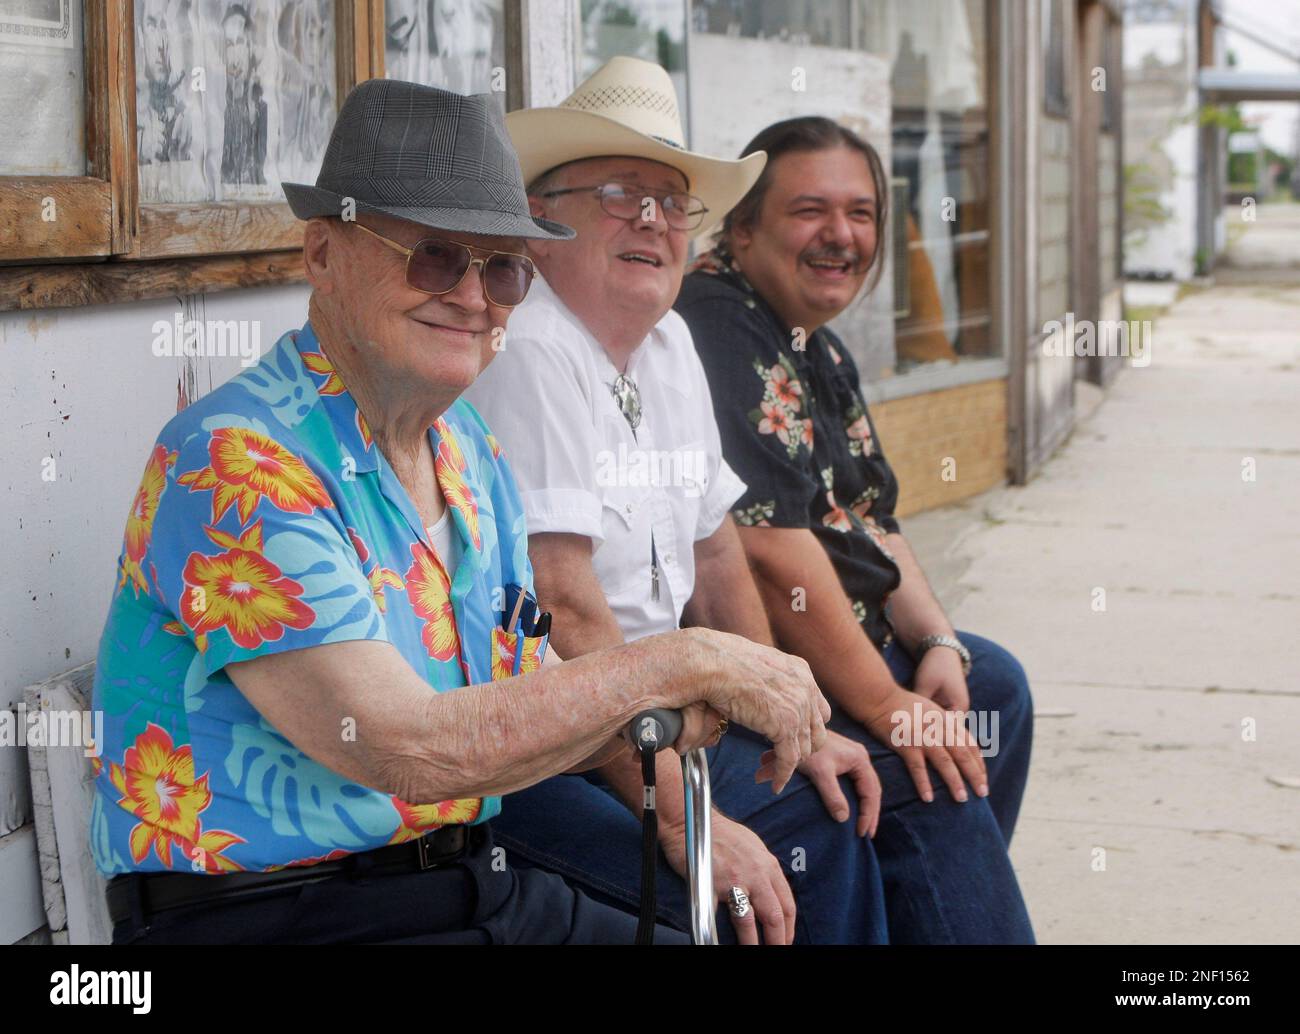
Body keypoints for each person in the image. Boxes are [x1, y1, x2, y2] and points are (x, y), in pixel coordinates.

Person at [90, 79, 830, 946]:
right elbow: (403, 746)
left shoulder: (466, 449)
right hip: (280, 915)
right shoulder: (236, 460)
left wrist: (658, 719)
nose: (475, 298)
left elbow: (522, 699)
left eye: (505, 269)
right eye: (435, 256)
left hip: (465, 882)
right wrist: (683, 663)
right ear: (322, 253)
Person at [467, 57, 896, 945]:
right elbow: (563, 601)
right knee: (797, 842)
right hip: (562, 750)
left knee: (845, 788)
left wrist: (791, 710)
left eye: (673, 202)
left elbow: (715, 554)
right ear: (544, 219)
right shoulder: (534, 347)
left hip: (667, 719)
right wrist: (682, 816)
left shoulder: (666, 342)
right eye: (623, 194)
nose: (656, 223)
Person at [675, 116, 1036, 943]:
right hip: (777, 666)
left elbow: (875, 522)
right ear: (742, 227)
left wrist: (940, 646)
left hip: (849, 644)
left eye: (862, 212)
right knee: (924, 763)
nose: (842, 235)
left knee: (993, 687)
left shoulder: (818, 346)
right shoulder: (718, 324)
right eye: (810, 210)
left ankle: (926, 906)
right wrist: (887, 704)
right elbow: (768, 551)